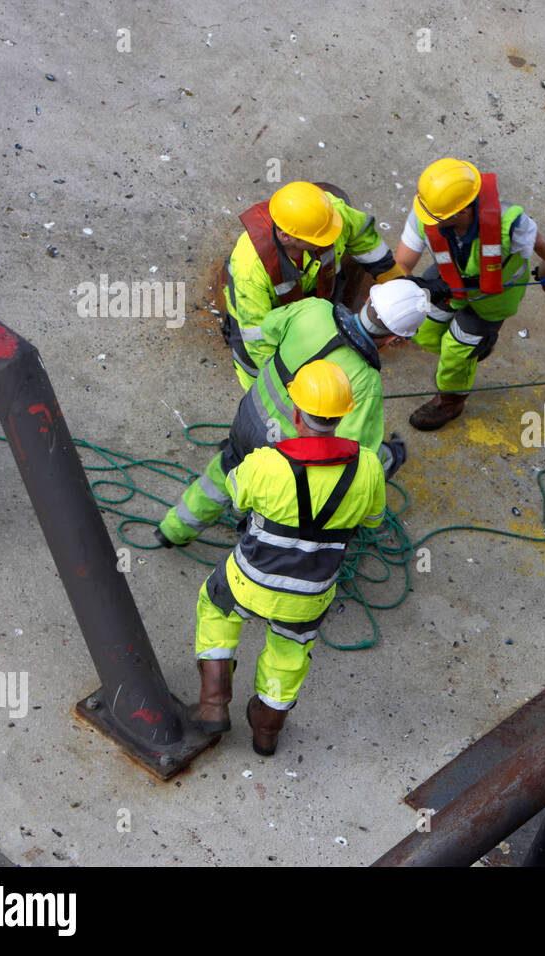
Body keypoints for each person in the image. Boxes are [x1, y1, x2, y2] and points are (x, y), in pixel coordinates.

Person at [188, 360, 387, 755]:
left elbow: (235, 493)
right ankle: (266, 732)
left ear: (296, 414)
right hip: (311, 593)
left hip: (251, 579)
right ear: (343, 415)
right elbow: (374, 519)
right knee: (289, 653)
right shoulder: (368, 467)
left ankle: (212, 704)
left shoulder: (266, 463)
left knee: (215, 606)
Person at [154, 282, 427, 548]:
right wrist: (390, 457)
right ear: (395, 337)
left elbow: (268, 329)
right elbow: (353, 454)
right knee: (270, 507)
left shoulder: (314, 310)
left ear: (369, 299)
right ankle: (251, 546)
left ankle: (173, 530)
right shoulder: (366, 383)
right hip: (283, 454)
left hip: (250, 415)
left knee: (223, 472)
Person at [392, 157, 545, 430]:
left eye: (439, 219)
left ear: (463, 211)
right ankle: (478, 349)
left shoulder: (511, 224)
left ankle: (451, 401)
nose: (430, 222)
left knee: (456, 354)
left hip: (492, 301)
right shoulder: (430, 211)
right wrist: (398, 298)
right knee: (427, 333)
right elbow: (403, 263)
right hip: (446, 285)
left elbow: (538, 240)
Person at [222, 181, 399, 391]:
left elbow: (361, 233)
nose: (329, 239)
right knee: (256, 375)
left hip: (315, 304)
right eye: (319, 238)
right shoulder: (250, 268)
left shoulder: (327, 216)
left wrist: (392, 277)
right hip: (264, 324)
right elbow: (257, 339)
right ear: (285, 236)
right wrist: (288, 385)